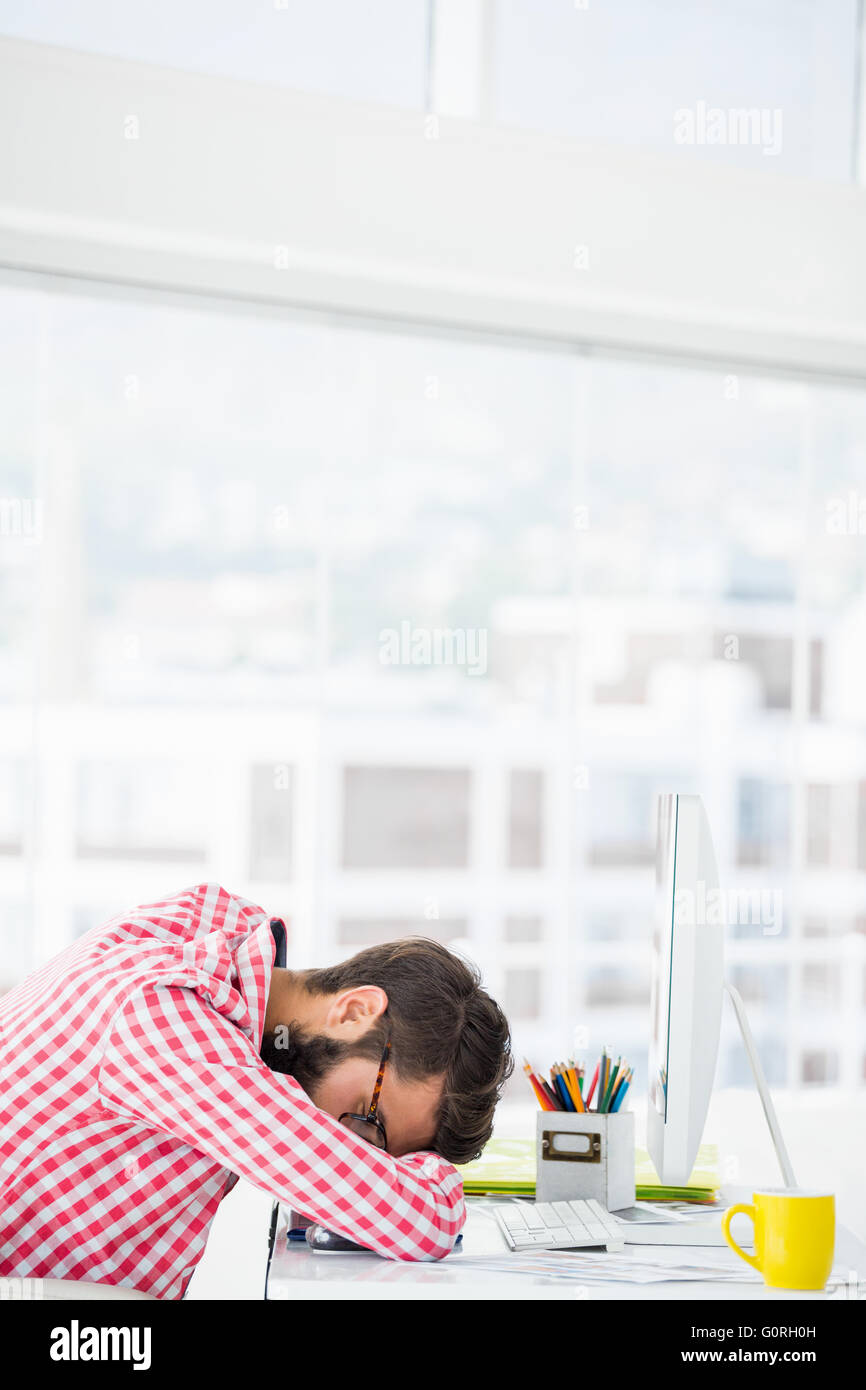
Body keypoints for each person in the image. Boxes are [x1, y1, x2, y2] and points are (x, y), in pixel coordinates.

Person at [0, 882, 512, 1299]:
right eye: (367, 1121)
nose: (353, 1149)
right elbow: (424, 1220)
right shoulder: (167, 1017)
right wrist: (425, 1186)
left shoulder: (212, 937)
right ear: (355, 1011)